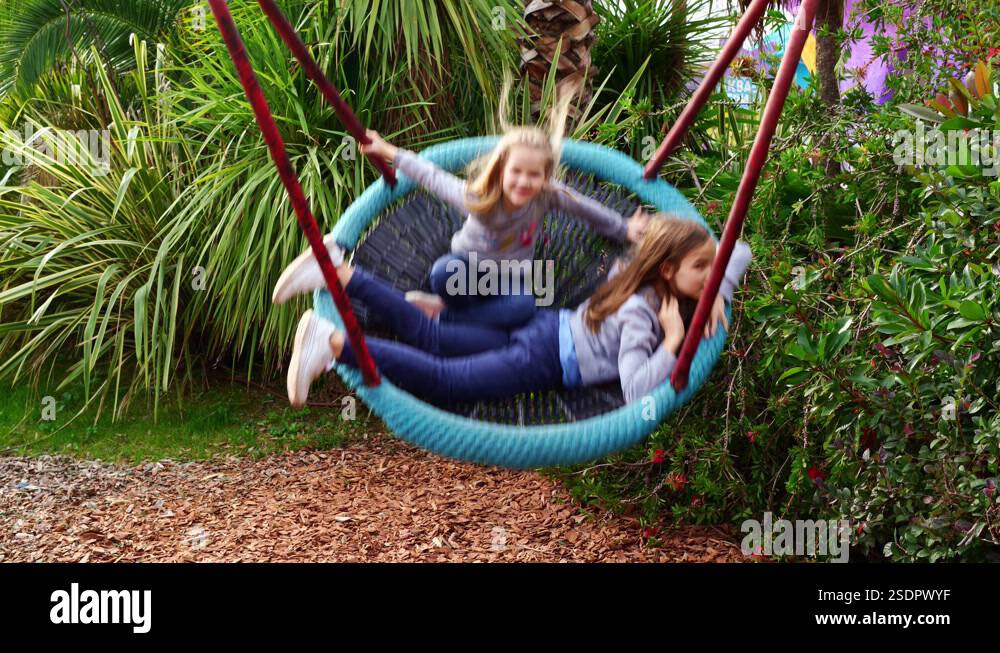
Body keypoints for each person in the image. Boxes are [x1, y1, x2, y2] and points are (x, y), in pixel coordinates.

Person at [271, 78, 649, 328]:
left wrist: (623, 228)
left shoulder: (550, 197)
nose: (524, 182)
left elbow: (585, 208)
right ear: (502, 170)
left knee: (525, 307)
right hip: (468, 273)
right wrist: (389, 151)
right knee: (441, 274)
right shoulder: (479, 199)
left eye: (534, 175)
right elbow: (433, 177)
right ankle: (444, 305)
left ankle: (443, 316)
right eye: (516, 172)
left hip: (510, 282)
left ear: (545, 178)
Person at [283, 215, 752, 408]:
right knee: (446, 382)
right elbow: (635, 390)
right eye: (701, 268)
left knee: (432, 339)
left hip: (542, 326)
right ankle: (333, 344)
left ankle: (337, 271)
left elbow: (740, 251)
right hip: (545, 358)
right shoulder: (645, 315)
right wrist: (672, 341)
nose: (713, 272)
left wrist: (716, 293)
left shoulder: (637, 278)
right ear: (668, 270)